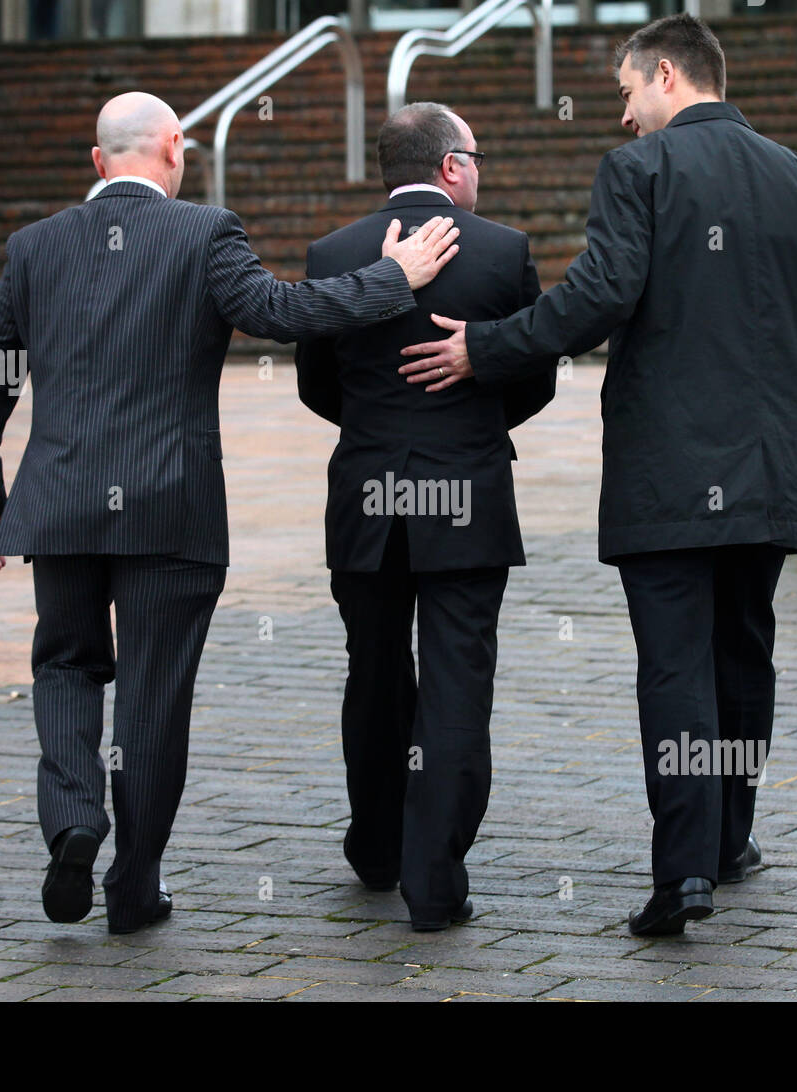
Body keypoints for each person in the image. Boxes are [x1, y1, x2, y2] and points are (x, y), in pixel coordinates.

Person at [397, 15, 797, 936]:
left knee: (674, 667)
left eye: (625, 92)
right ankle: (728, 840)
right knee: (744, 654)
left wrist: (488, 348)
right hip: (770, 473)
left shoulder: (641, 173)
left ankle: (683, 876)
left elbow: (598, 296)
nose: (622, 116)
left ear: (667, 73)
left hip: (666, 474)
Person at [0, 91, 460, 935]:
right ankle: (134, 887)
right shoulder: (204, 234)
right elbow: (284, 315)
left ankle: (74, 816)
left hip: (65, 506)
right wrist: (392, 278)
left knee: (67, 667)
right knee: (154, 695)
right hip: (171, 507)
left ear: (97, 160)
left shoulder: (34, 247)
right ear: (175, 150)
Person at [295, 103, 555, 931]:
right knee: (456, 686)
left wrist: (379, 430)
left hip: (367, 497)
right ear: (450, 166)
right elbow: (536, 378)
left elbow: (313, 384)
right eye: (475, 156)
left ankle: (375, 850)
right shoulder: (504, 252)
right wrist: (469, 428)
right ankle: (435, 886)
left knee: (372, 676)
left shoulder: (333, 254)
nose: (480, 171)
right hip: (468, 497)